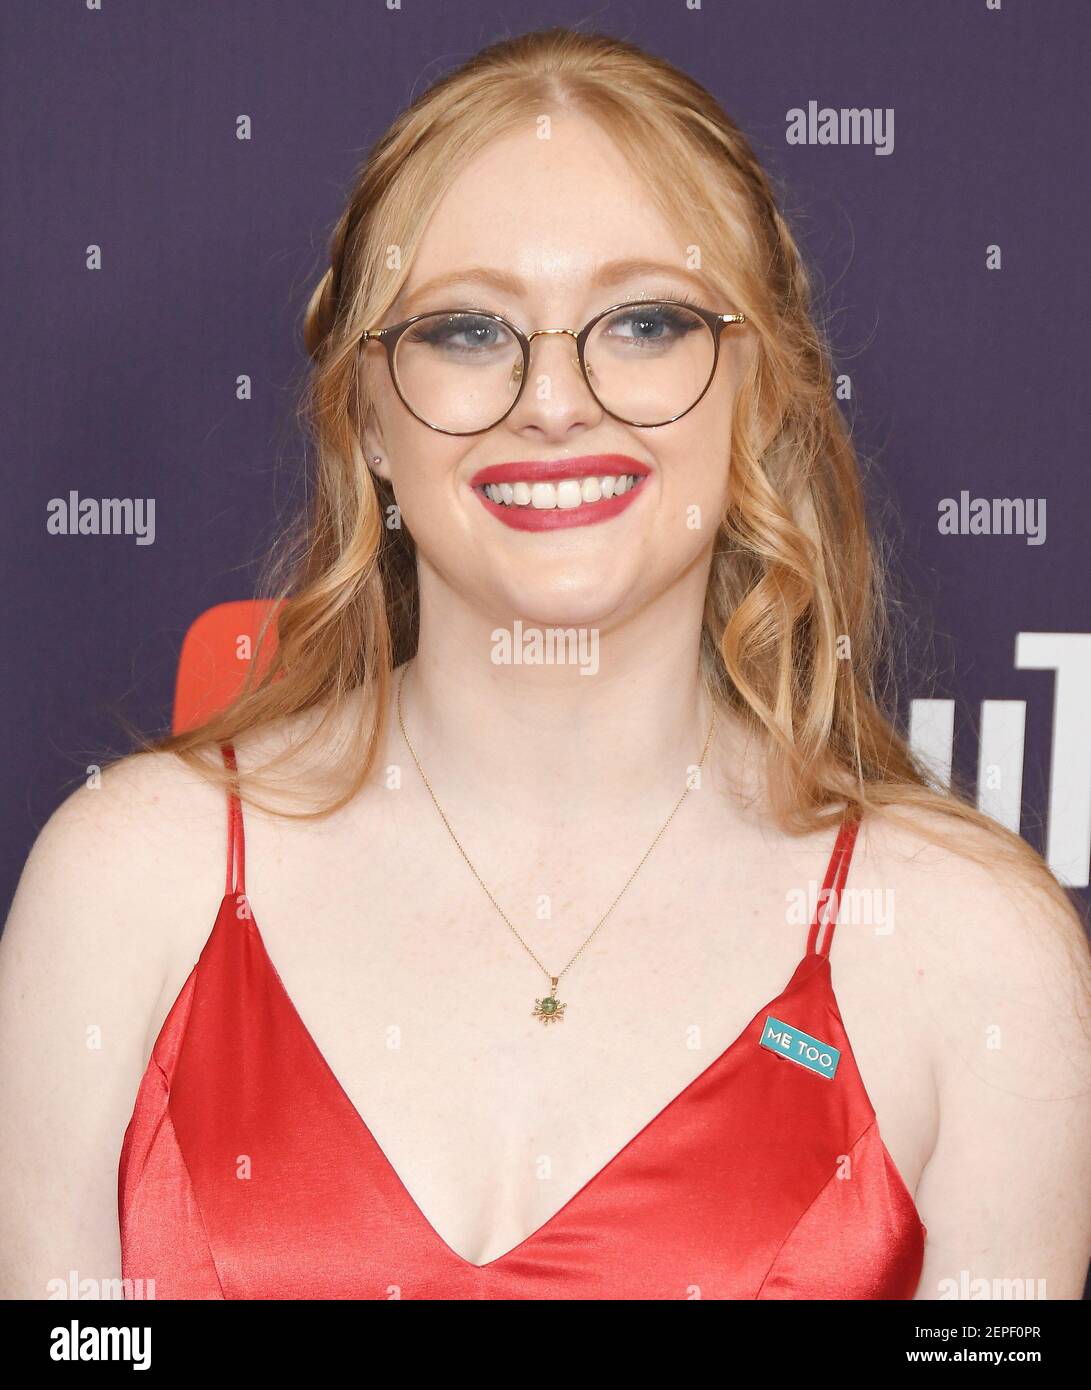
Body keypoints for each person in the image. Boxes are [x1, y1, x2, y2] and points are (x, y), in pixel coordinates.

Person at [2, 26, 1089, 1301]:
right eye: (466, 330)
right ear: (365, 417)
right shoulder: (129, 884)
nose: (553, 398)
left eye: (641, 321)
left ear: (763, 389)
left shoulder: (970, 945)